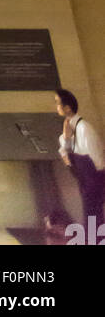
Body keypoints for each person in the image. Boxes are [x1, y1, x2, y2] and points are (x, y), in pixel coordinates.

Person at [55, 88, 105, 228]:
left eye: (58, 103)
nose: (56, 107)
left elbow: (97, 159)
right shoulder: (69, 127)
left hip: (93, 178)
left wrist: (95, 183)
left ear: (67, 108)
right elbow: (64, 151)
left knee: (94, 216)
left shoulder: (84, 128)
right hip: (84, 178)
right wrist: (66, 136)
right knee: (90, 217)